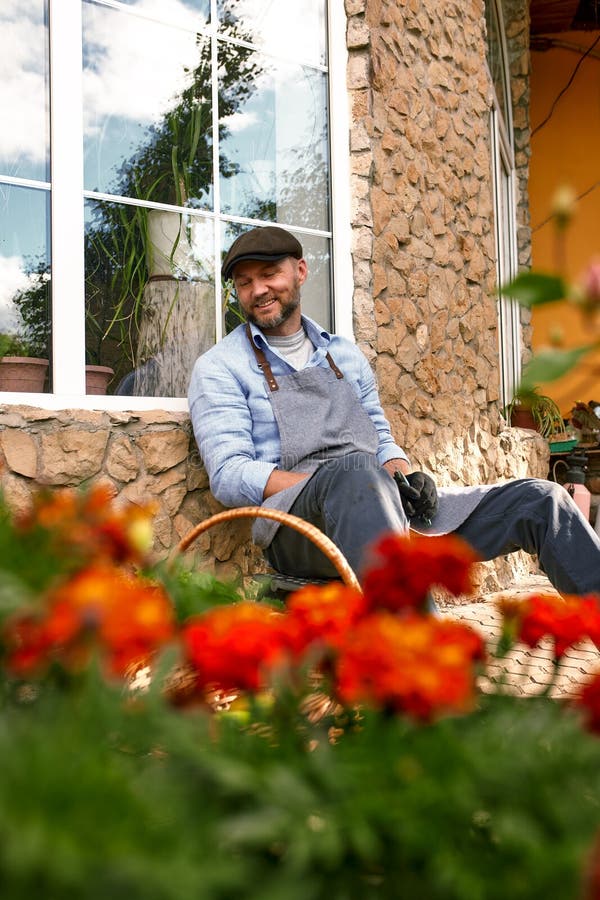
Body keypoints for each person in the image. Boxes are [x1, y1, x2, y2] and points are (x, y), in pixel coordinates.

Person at [188, 225, 600, 595]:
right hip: (295, 530)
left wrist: (404, 477)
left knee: (542, 501)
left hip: (382, 503)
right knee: (356, 473)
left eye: (269, 275)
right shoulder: (220, 367)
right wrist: (339, 483)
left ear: (300, 271)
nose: (258, 290)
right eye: (245, 283)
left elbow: (381, 441)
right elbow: (229, 474)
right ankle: (422, 649)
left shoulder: (344, 356)